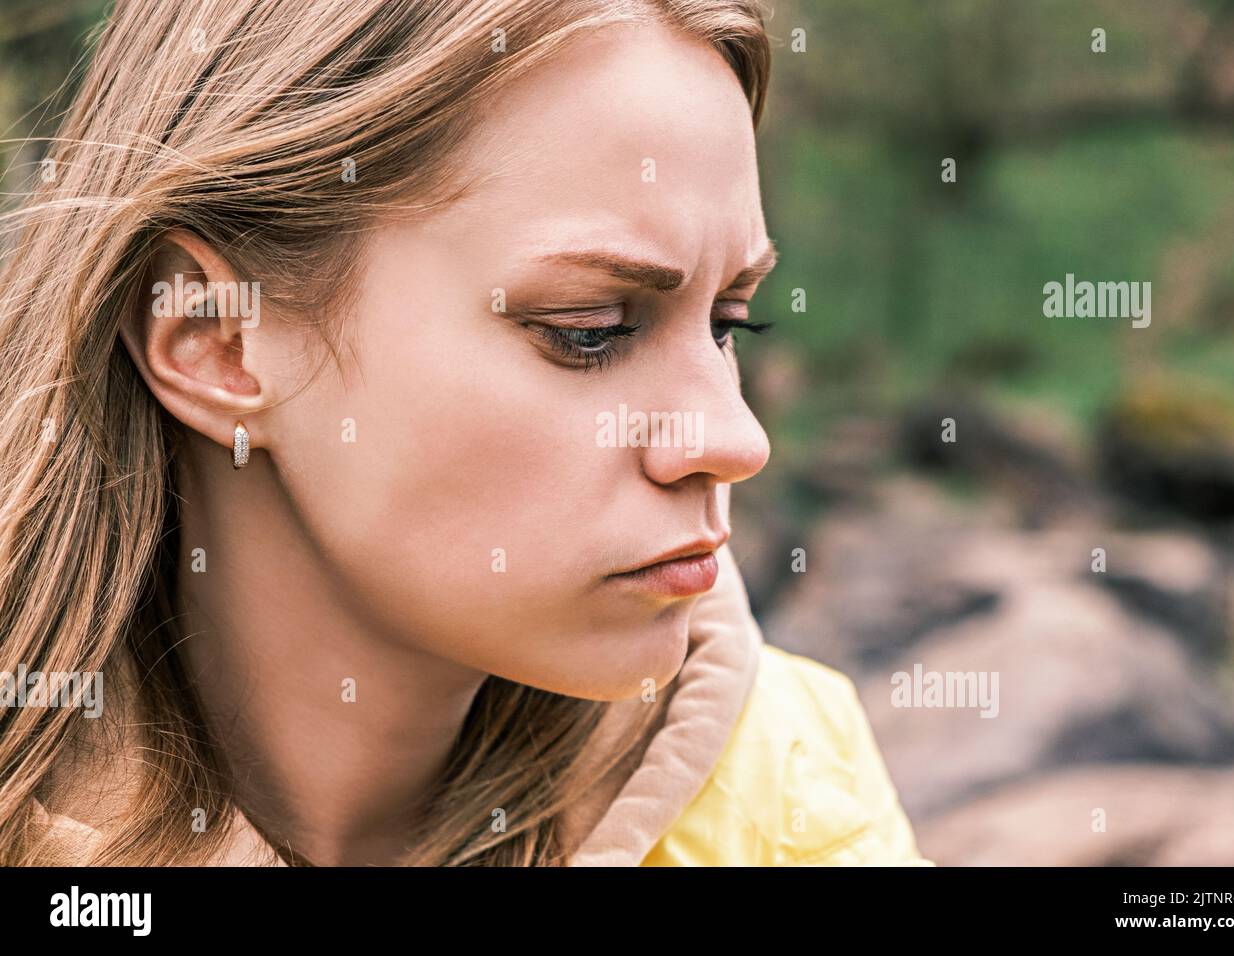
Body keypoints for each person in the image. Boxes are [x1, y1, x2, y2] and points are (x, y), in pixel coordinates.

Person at [0, 0, 932, 867]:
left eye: (731, 323)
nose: (736, 440)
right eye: (589, 330)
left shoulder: (797, 793)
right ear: (216, 339)